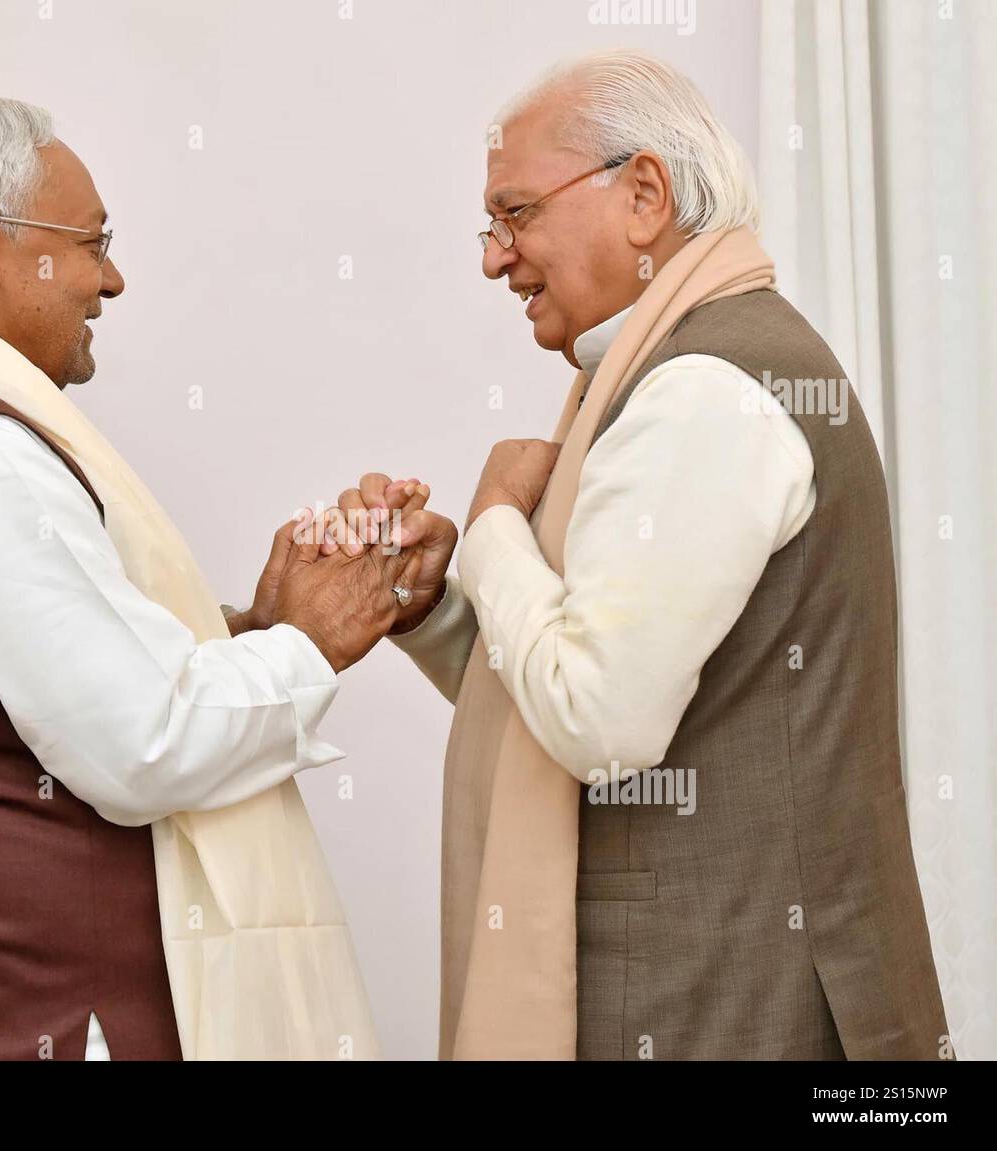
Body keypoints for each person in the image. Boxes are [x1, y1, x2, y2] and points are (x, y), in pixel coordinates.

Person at [335, 50, 950, 1060]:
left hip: (735, 997)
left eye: (514, 213)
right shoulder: (679, 364)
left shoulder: (703, 388)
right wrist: (435, 606)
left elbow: (599, 720)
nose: (494, 257)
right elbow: (583, 677)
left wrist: (496, 521)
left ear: (643, 194)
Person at [0, 90, 419, 1061]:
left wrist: (250, 628)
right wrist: (309, 644)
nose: (110, 280)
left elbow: (40, 688)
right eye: (91, 241)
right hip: (23, 1017)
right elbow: (141, 745)